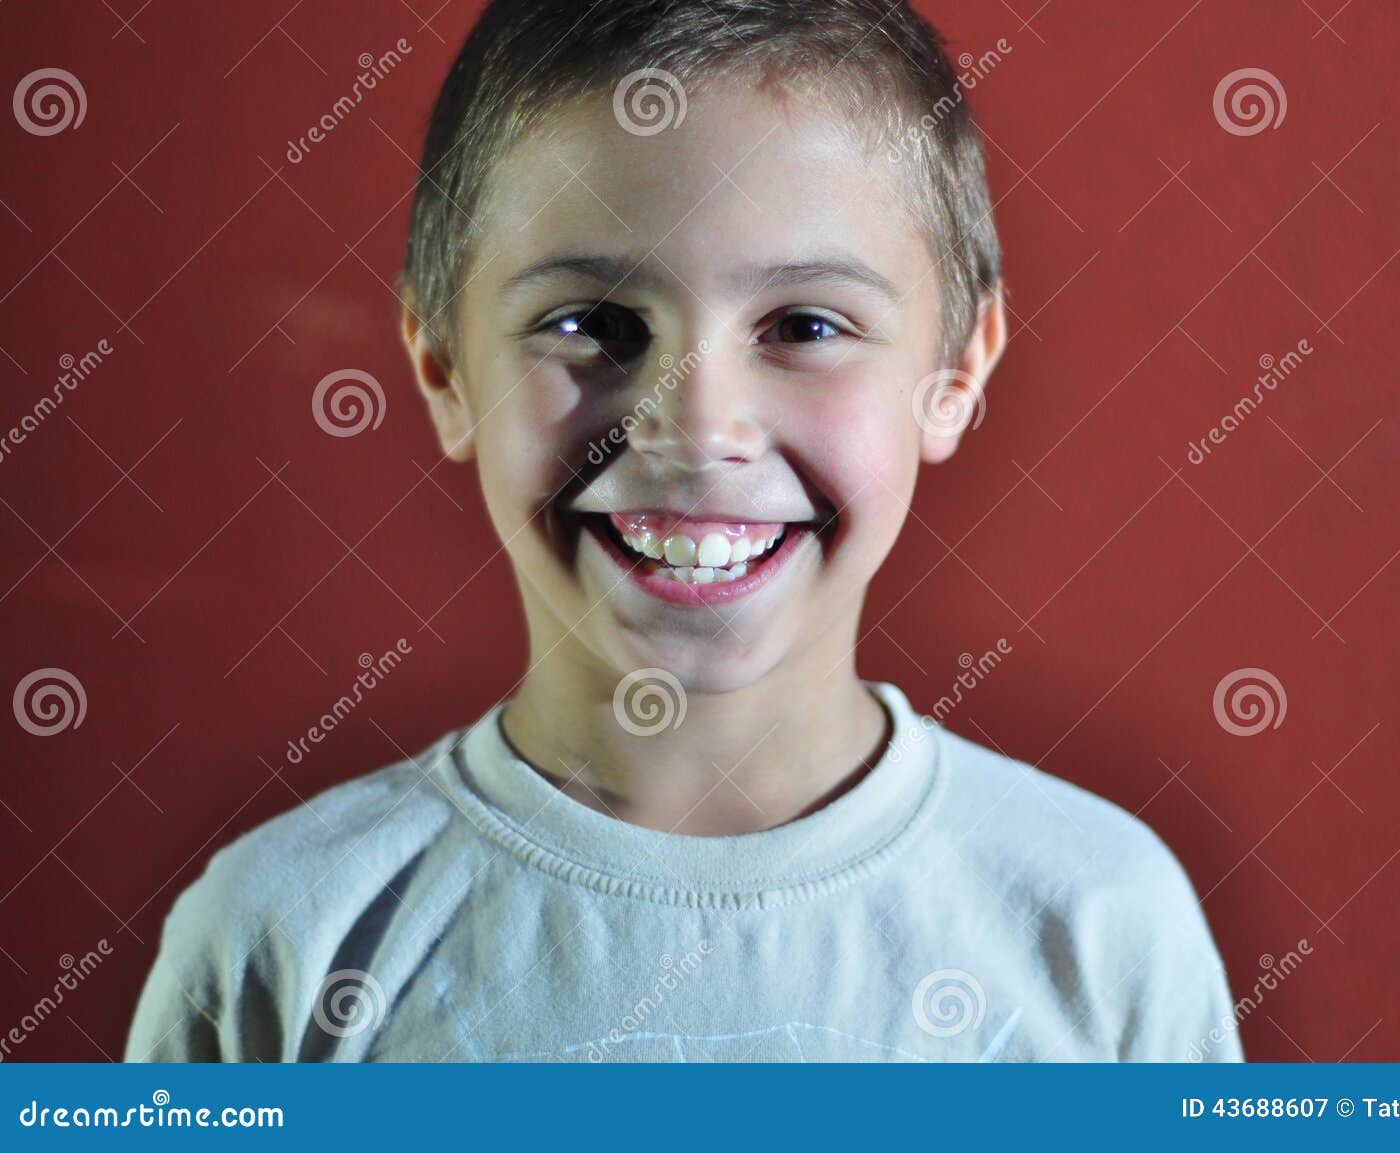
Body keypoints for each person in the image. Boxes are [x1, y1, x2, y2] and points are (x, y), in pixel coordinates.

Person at [125, 0, 1241, 1062]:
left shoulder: (1100, 927)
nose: (700, 428)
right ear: (442, 369)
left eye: (803, 325)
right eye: (590, 324)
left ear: (954, 373)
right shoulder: (279, 940)